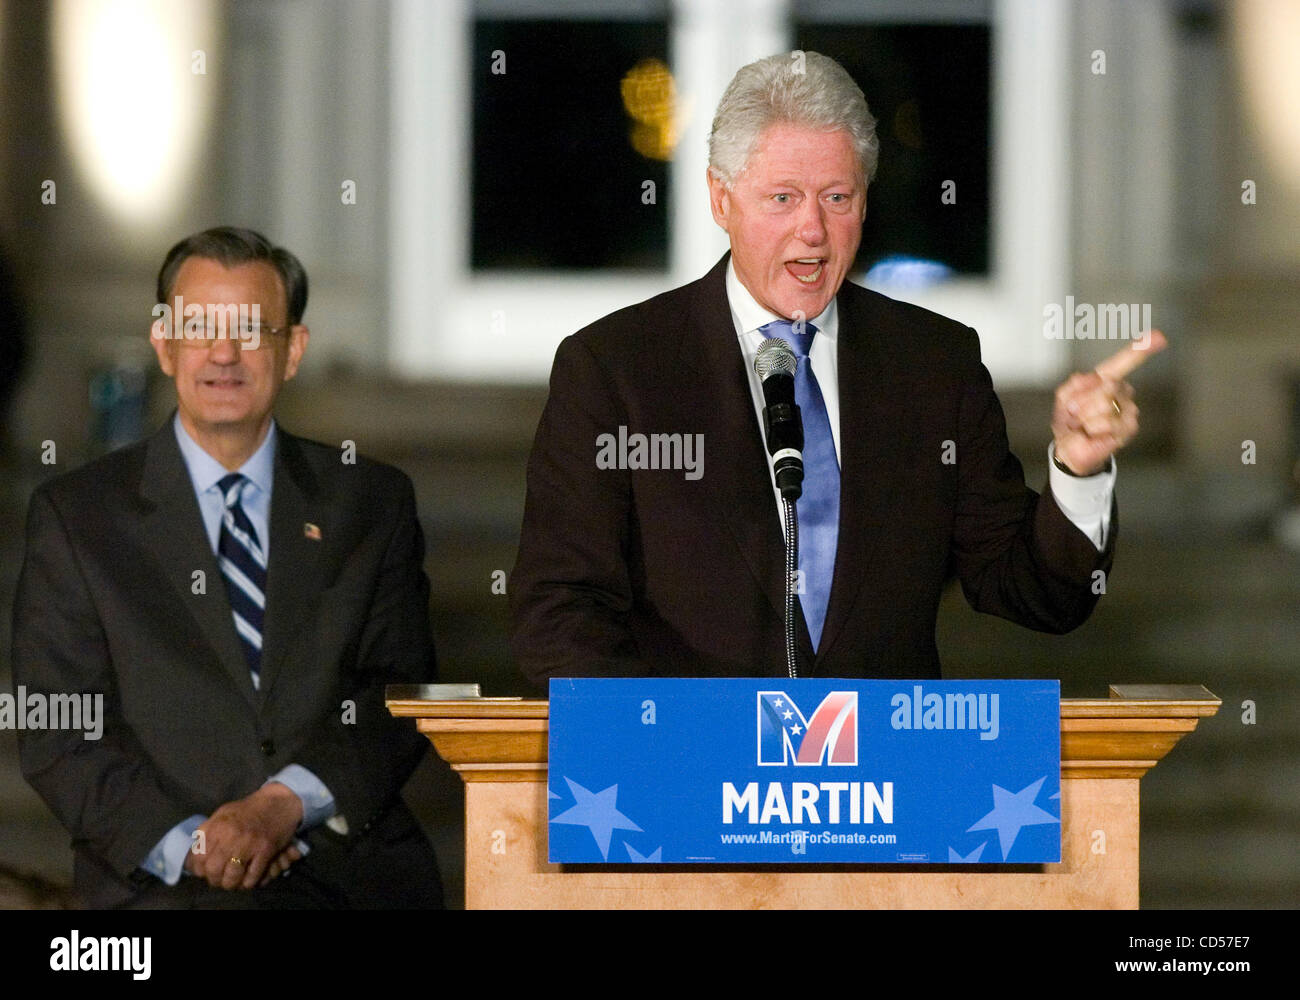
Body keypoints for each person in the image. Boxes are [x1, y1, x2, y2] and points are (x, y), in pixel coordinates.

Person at [509, 52, 1164, 685]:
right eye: (783, 198)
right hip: (691, 783)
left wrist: (1079, 467)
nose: (813, 230)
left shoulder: (935, 366)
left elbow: (1035, 594)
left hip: (884, 787)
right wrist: (678, 748)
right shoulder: (616, 370)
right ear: (720, 199)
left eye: (837, 197)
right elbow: (559, 612)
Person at [12, 227, 442, 908]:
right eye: (200, 325)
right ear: (164, 342)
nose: (223, 351)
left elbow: (399, 693)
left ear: (292, 349)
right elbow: (60, 728)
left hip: (345, 886)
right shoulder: (78, 519)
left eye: (250, 327)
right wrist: (194, 845)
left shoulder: (370, 502)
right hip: (157, 893)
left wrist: (280, 806)